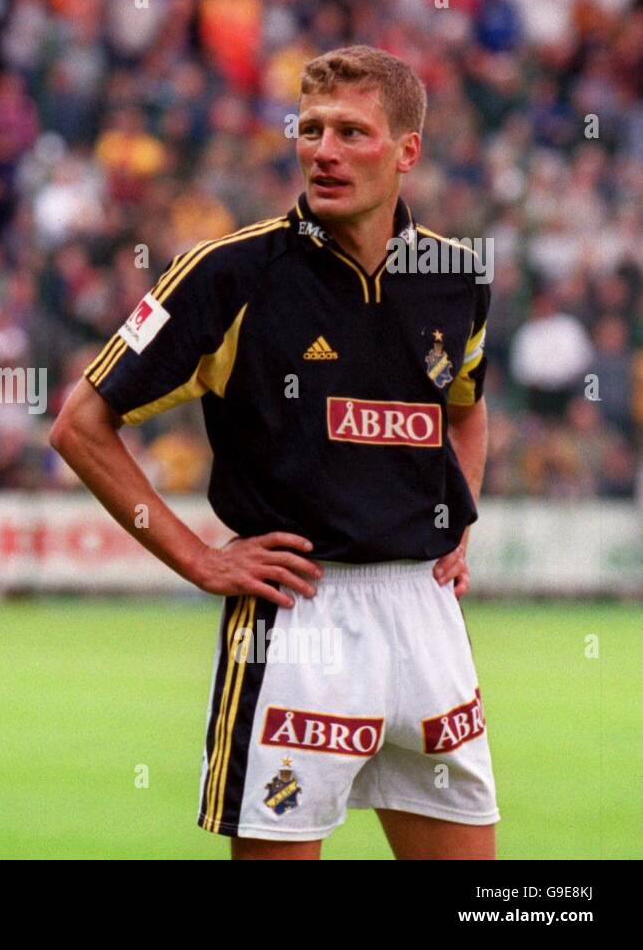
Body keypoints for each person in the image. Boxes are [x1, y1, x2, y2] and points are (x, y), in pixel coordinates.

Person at [51, 45, 497, 860]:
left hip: (427, 617)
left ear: (408, 151)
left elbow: (465, 412)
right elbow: (80, 423)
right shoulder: (227, 273)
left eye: (353, 133)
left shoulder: (457, 278)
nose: (324, 149)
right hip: (300, 614)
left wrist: (457, 515)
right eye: (312, 128)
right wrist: (198, 559)